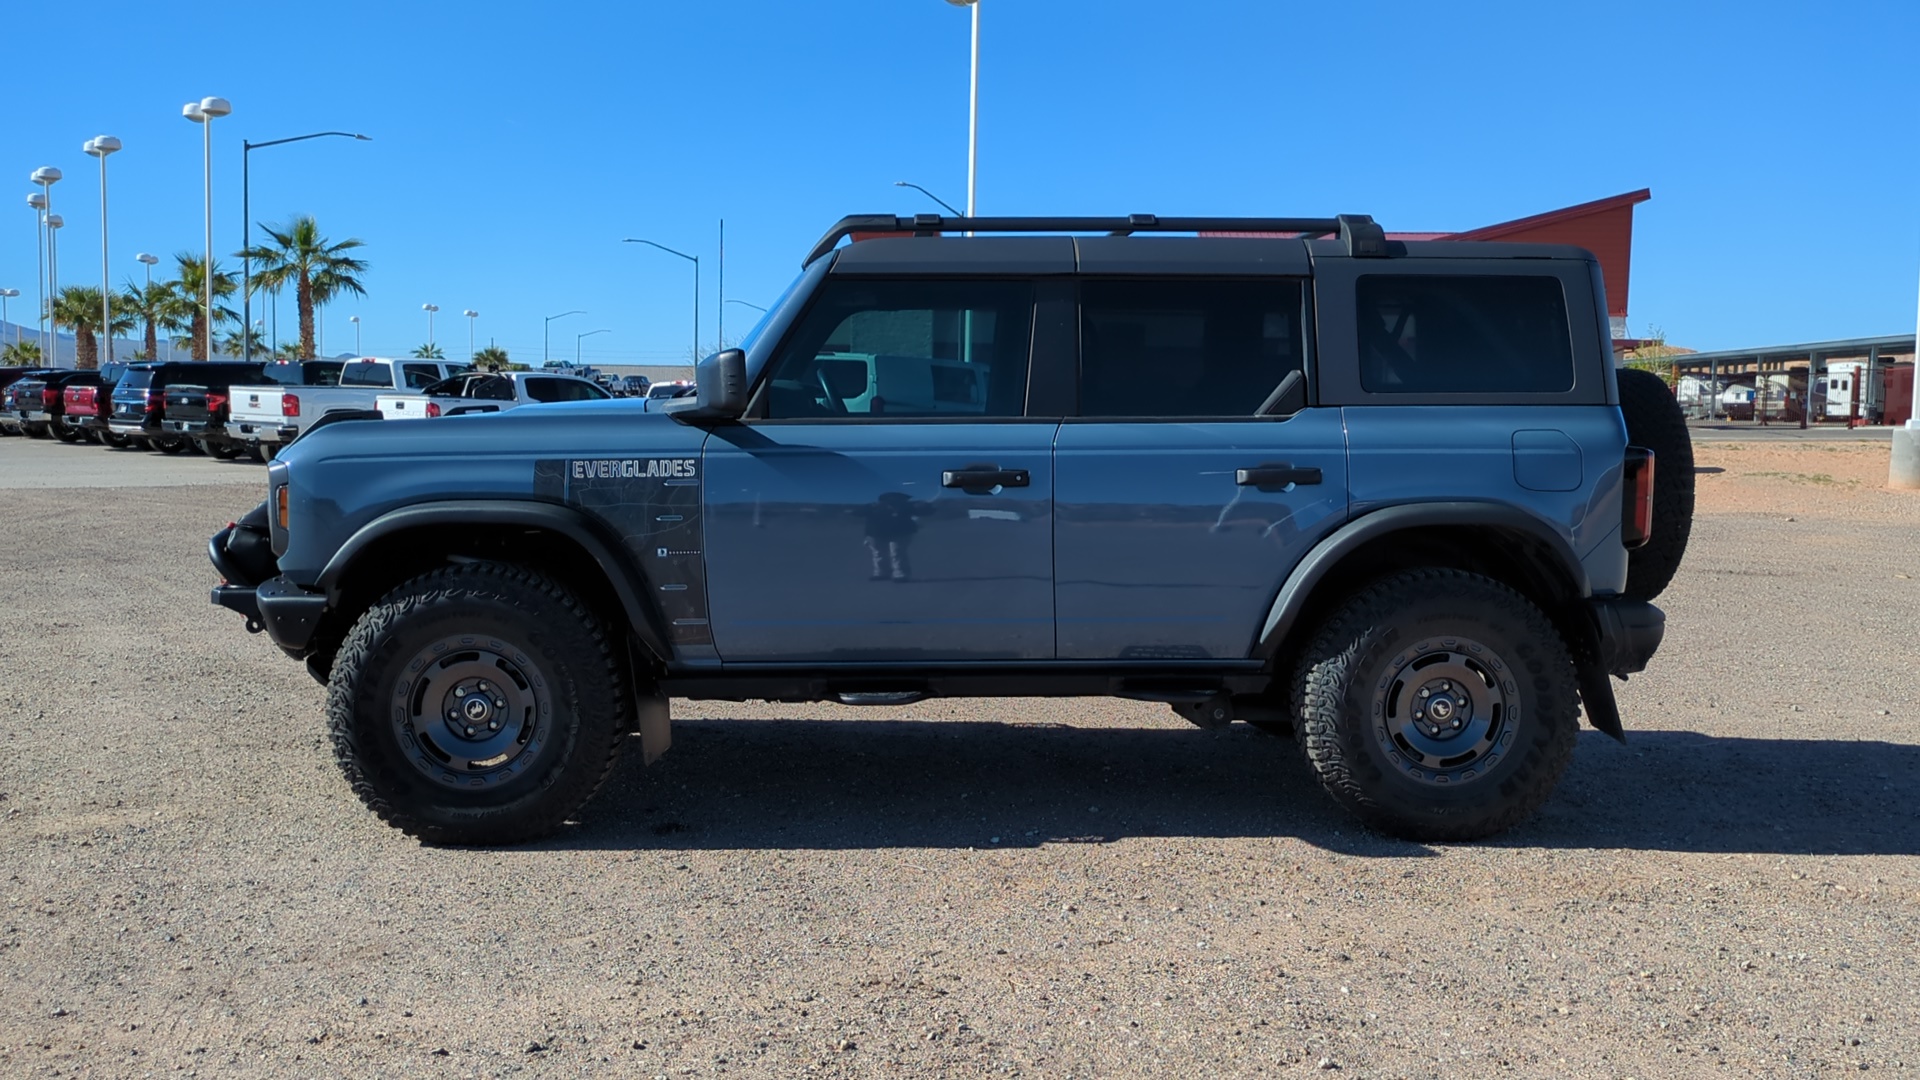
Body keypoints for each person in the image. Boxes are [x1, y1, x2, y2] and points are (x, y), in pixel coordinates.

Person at [863, 492, 921, 581]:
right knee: (879, 553)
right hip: (877, 532)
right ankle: (882, 572)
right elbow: (860, 514)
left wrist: (923, 507)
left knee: (897, 552)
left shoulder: (906, 506)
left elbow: (924, 511)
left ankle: (901, 574)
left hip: (900, 532)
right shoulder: (873, 506)